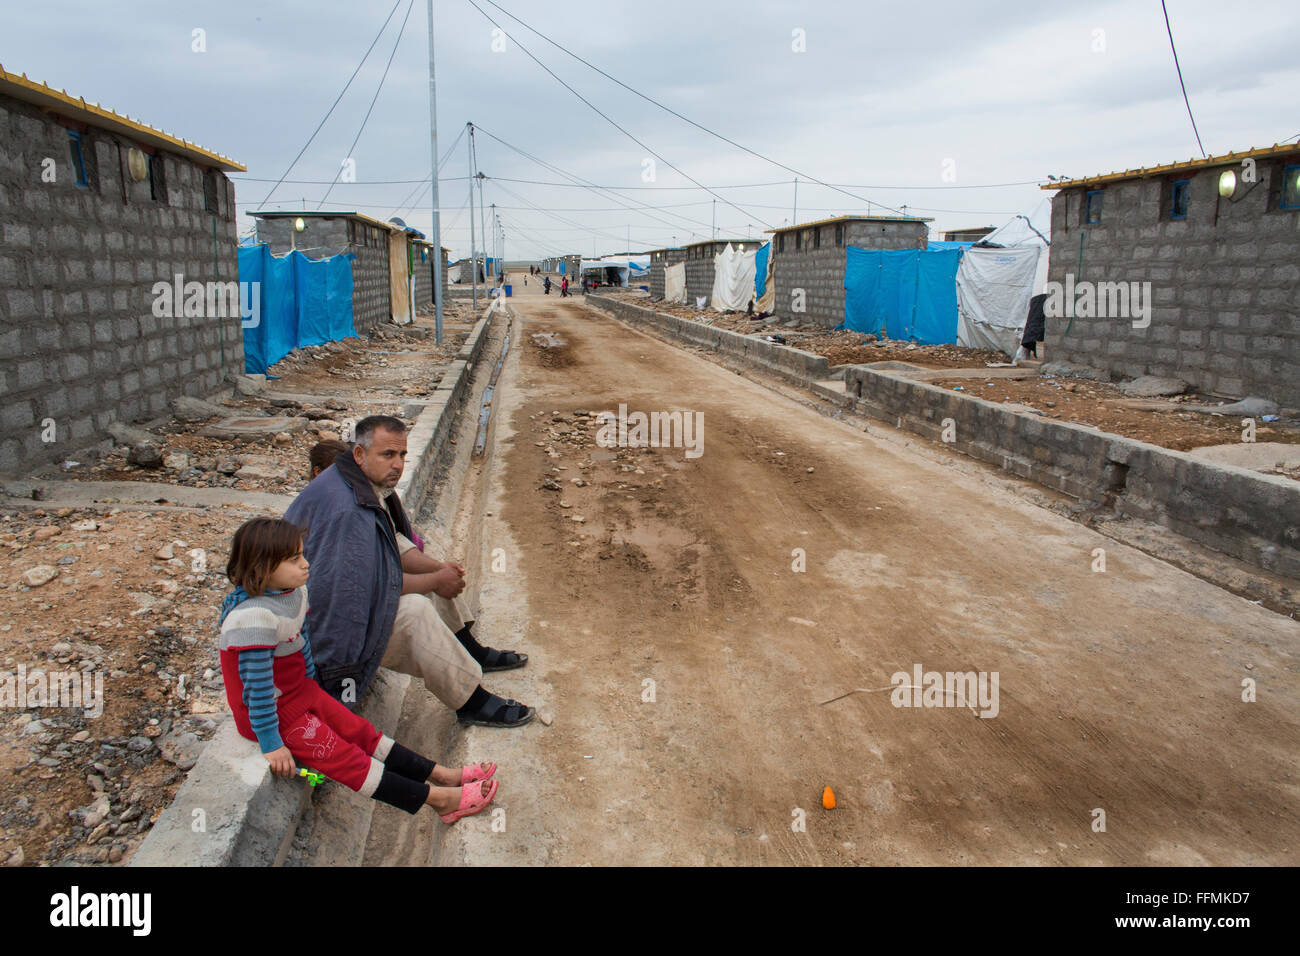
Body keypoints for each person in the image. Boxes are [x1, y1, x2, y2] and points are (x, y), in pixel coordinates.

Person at [219, 517, 498, 822]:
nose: (306, 564)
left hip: (300, 693)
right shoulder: (253, 619)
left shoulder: (292, 594)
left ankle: (441, 774)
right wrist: (271, 744)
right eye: (294, 559)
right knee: (346, 759)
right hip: (272, 714)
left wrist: (315, 691)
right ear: (262, 568)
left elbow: (302, 643)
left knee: (363, 733)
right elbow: (256, 689)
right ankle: (441, 800)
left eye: (302, 554)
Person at [285, 416, 534, 728]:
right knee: (415, 611)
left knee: (434, 572)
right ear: (360, 455)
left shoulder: (357, 482)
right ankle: (472, 702)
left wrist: (437, 571)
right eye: (387, 454)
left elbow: (392, 544)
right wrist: (432, 581)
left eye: (402, 455)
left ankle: (471, 651)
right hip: (322, 632)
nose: (398, 465)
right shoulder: (346, 511)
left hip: (341, 598)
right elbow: (361, 588)